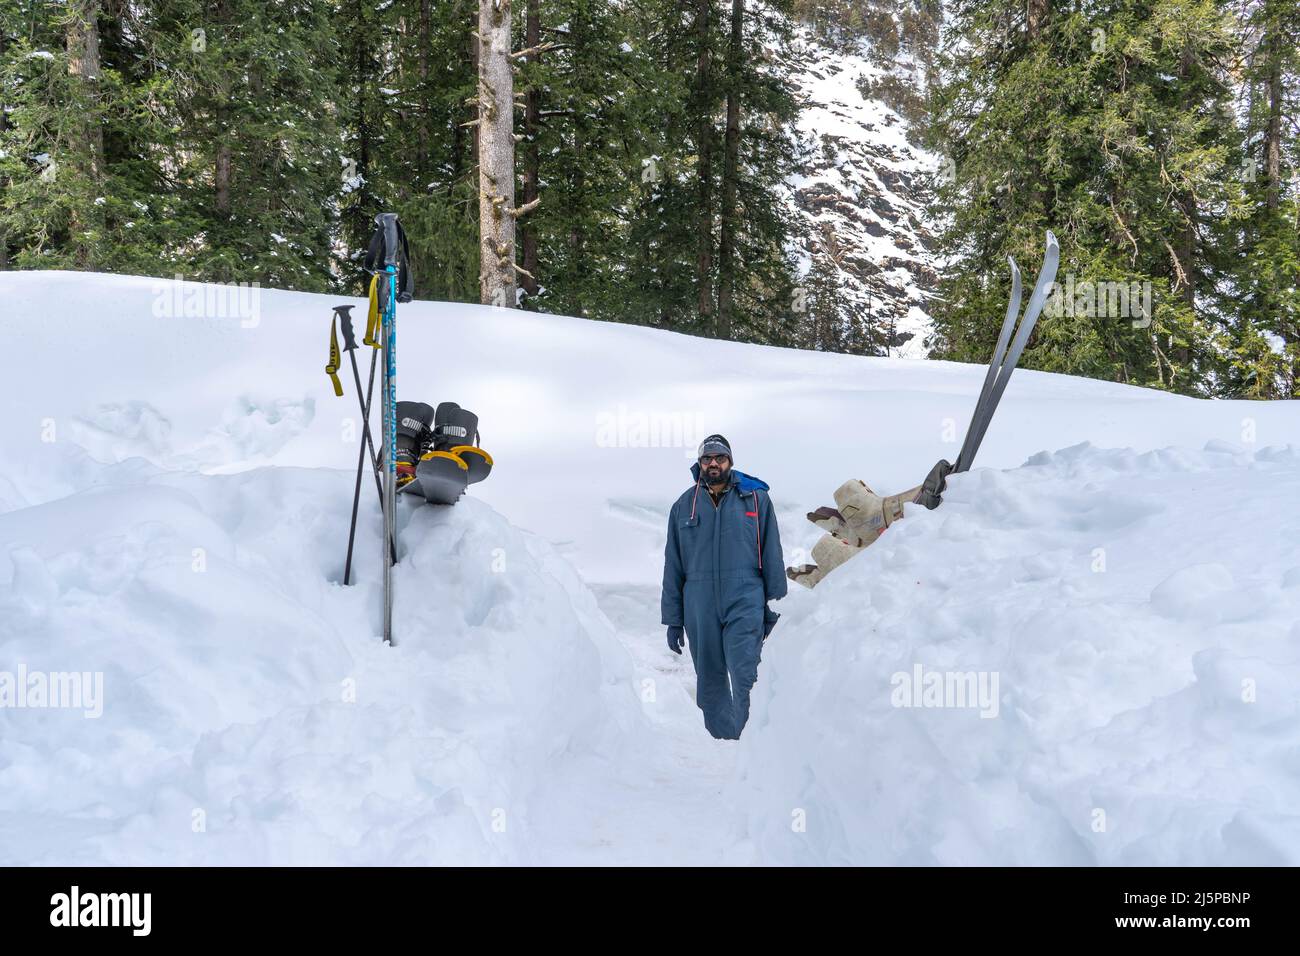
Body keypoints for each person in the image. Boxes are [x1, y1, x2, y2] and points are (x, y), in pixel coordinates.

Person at [661, 435, 786, 740]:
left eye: (720, 457)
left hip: (745, 595)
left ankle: (751, 744)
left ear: (730, 461)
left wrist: (775, 604)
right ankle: (723, 743)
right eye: (707, 458)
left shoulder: (756, 499)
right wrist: (673, 619)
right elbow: (673, 565)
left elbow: (771, 552)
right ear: (700, 464)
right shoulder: (683, 506)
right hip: (698, 602)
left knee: (747, 674)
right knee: (709, 679)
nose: (713, 463)